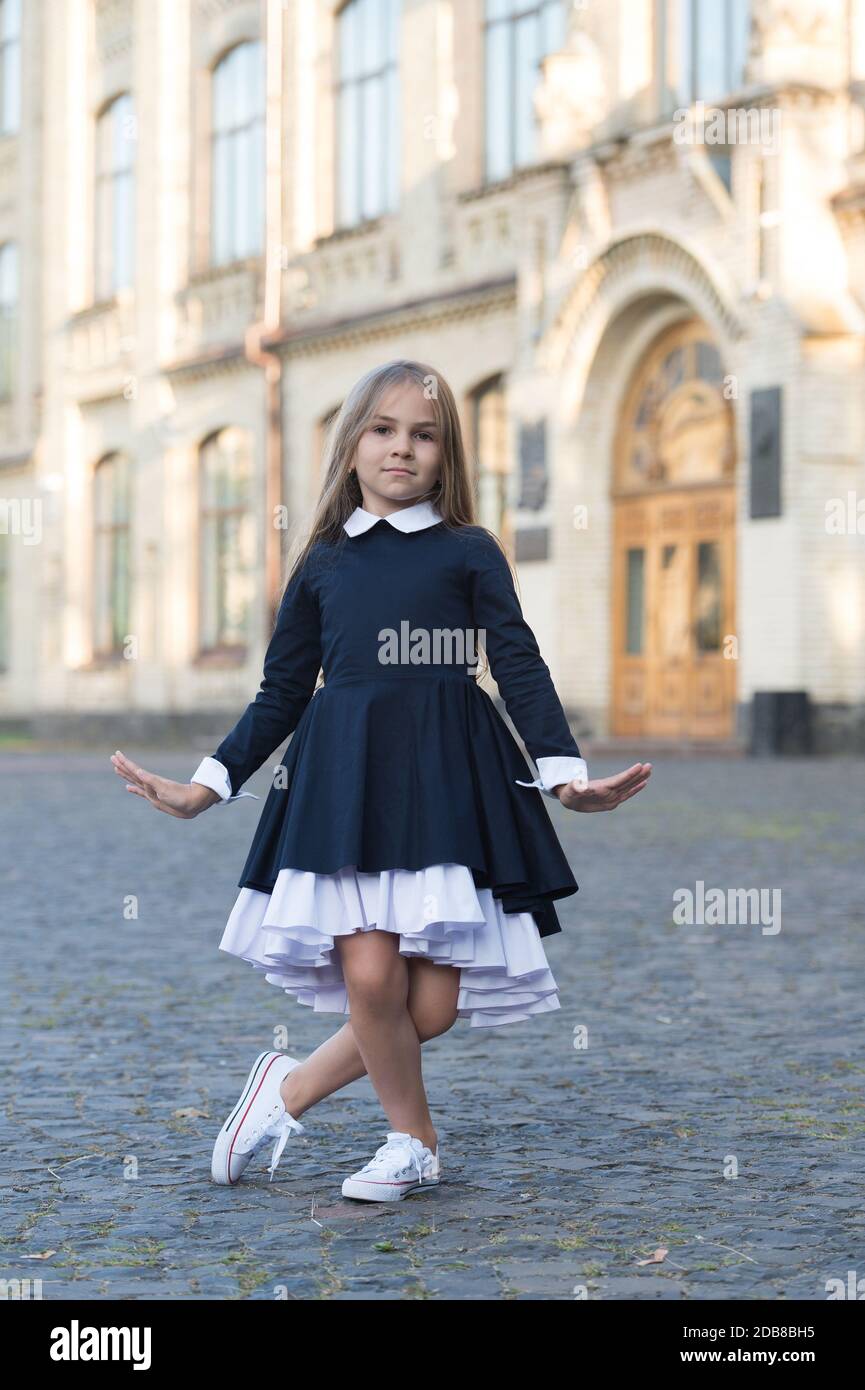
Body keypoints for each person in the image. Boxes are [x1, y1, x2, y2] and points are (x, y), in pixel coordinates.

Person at [110, 359, 651, 1202]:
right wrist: (205, 786)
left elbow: (518, 664)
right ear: (354, 443)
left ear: (446, 454)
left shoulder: (471, 551)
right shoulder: (324, 563)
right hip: (346, 781)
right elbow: (281, 692)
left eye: (424, 435)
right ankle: (413, 1142)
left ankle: (282, 1093)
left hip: (449, 781)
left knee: (427, 1010)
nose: (403, 448)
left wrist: (563, 776)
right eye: (384, 429)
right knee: (371, 980)